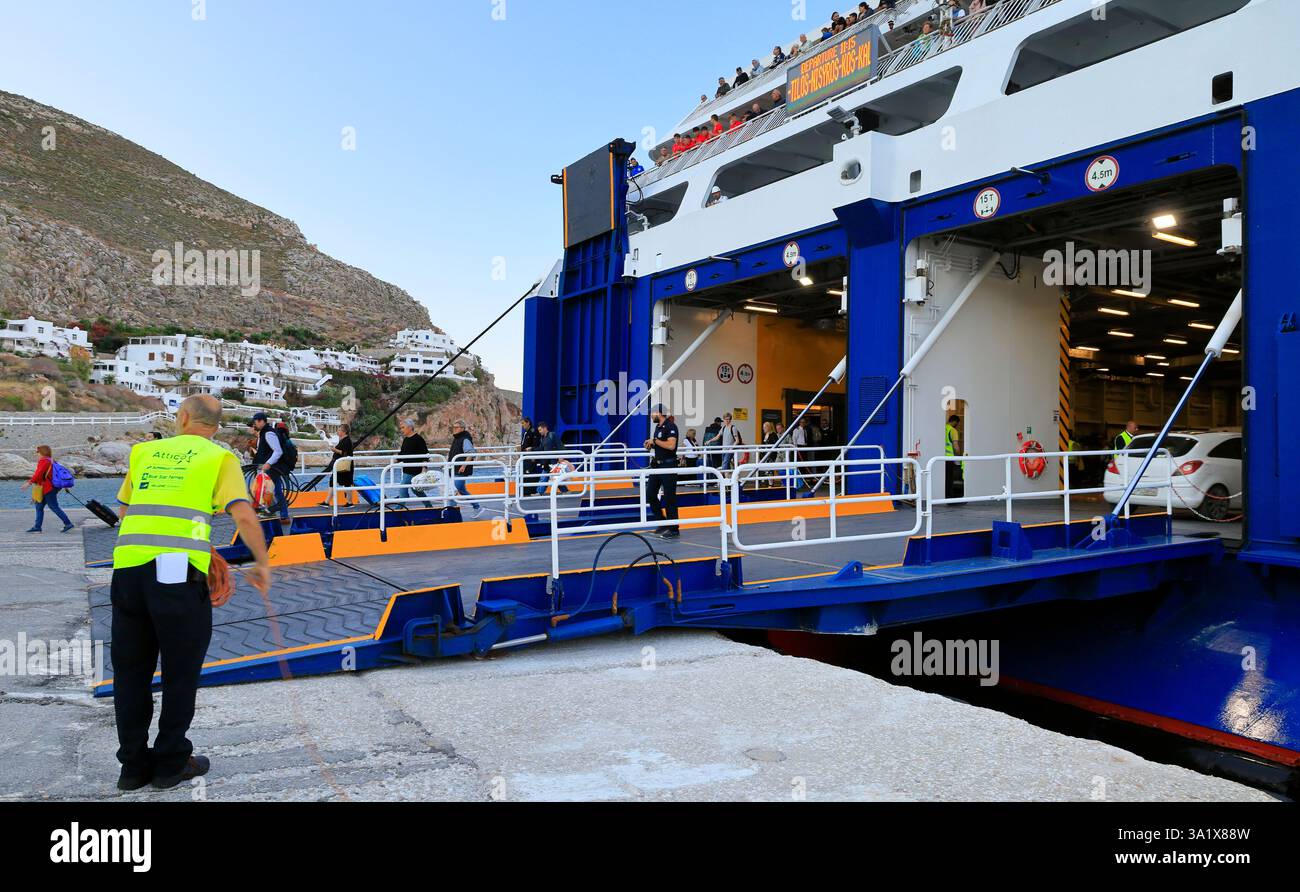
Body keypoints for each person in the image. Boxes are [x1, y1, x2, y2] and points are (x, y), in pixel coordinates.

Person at [111, 394, 271, 791]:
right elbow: (243, 513)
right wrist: (261, 564)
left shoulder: (144, 452)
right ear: (216, 426)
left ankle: (131, 768)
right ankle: (170, 764)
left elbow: (127, 513)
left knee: (130, 672)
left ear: (181, 417)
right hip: (178, 577)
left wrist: (194, 545)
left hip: (128, 571)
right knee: (180, 673)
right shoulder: (220, 458)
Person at [643, 405, 680, 539]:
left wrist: (656, 441)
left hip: (668, 466)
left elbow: (671, 445)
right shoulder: (658, 427)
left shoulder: (670, 426)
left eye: (652, 413)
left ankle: (674, 529)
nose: (651, 416)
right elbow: (660, 443)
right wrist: (651, 444)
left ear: (659, 413)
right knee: (650, 494)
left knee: (669, 497)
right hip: (657, 466)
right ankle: (663, 523)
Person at [250, 412, 293, 524]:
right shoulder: (264, 433)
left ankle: (277, 513)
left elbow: (278, 451)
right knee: (273, 490)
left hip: (272, 468)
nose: (254, 424)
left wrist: (268, 463)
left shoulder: (269, 433)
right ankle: (279, 514)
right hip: (269, 467)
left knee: (271, 490)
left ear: (261, 421)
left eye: (255, 422)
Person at [23, 445, 74, 533]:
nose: (37, 454)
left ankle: (68, 523)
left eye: (38, 452)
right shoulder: (51, 460)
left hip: (47, 488)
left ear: (42, 452)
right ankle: (37, 527)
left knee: (53, 506)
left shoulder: (43, 461)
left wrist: (29, 483)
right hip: (51, 487)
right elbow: (58, 474)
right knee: (39, 506)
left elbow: (38, 474)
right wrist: (64, 486)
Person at [397, 418, 435, 509]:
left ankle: (400, 507)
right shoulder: (406, 439)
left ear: (410, 427)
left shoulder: (418, 439)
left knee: (403, 488)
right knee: (416, 490)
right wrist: (395, 460)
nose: (401, 430)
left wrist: (424, 468)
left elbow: (425, 454)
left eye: (403, 427)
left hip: (415, 470)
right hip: (407, 469)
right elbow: (403, 453)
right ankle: (429, 506)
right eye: (401, 428)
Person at [448, 420, 483, 517]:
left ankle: (452, 513)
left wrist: (464, 465)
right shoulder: (457, 438)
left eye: (456, 427)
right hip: (454, 468)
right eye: (453, 427)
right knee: (462, 490)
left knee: (453, 491)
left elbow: (471, 453)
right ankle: (478, 507)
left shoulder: (465, 439)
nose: (454, 429)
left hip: (460, 470)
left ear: (462, 428)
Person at [535, 421, 569, 495]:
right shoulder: (542, 438)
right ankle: (540, 492)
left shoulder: (552, 435)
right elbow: (540, 448)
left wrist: (561, 456)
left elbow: (560, 445)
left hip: (554, 461)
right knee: (545, 477)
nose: (539, 432)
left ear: (545, 428)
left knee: (555, 477)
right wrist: (531, 449)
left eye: (540, 430)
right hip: (547, 462)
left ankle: (565, 491)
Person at [945, 414, 964, 499]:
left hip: (940, 458)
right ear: (955, 422)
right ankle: (949, 497)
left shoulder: (943, 428)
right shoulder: (953, 431)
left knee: (944, 478)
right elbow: (955, 446)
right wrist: (959, 457)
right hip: (949, 458)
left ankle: (944, 495)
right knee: (949, 479)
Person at [520, 417, 541, 496]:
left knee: (530, 472)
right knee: (524, 472)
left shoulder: (533, 432)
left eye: (523, 423)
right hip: (524, 456)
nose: (522, 425)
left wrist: (532, 451)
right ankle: (524, 490)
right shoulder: (526, 433)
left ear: (528, 422)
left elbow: (536, 444)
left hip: (530, 456)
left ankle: (531, 490)